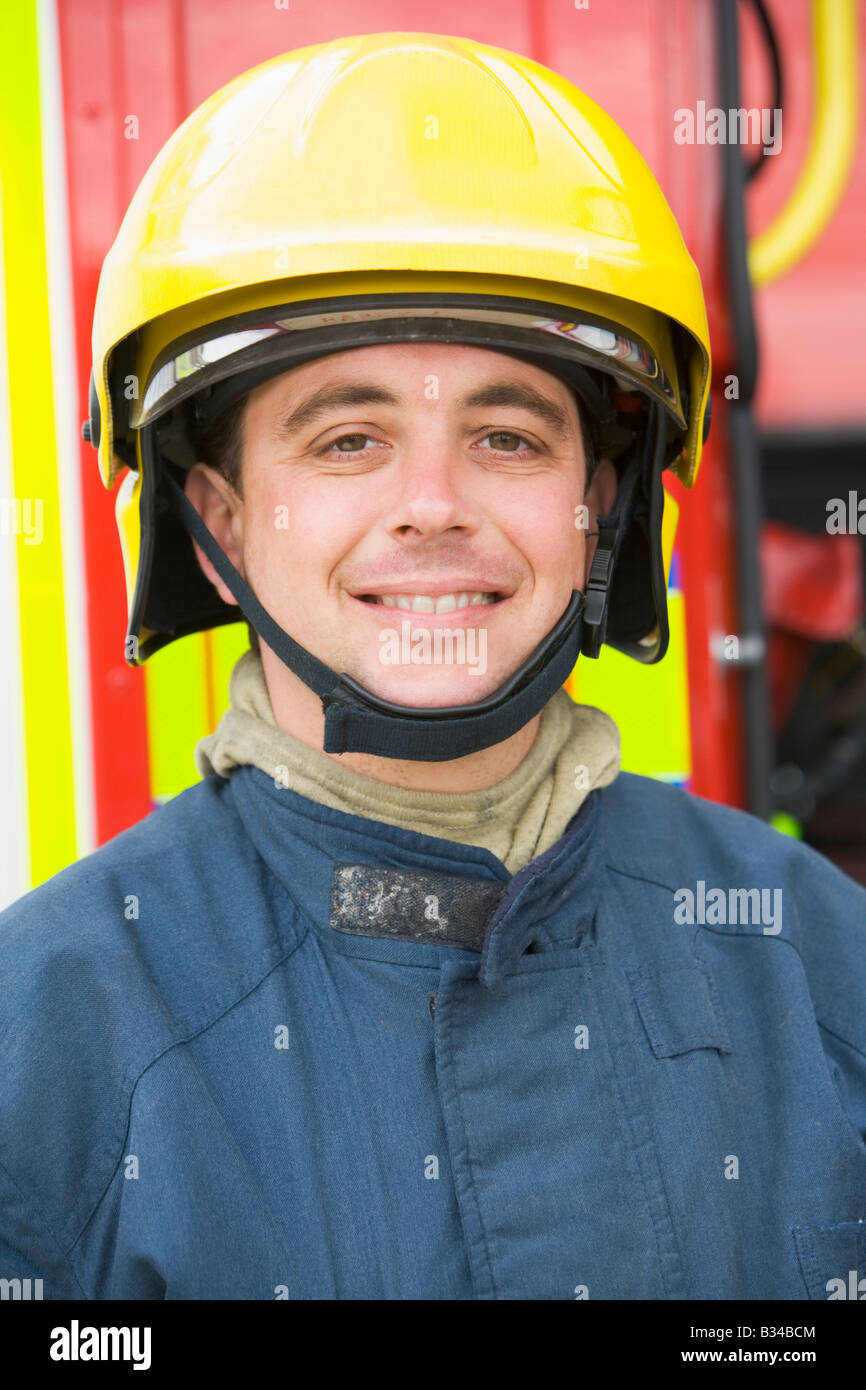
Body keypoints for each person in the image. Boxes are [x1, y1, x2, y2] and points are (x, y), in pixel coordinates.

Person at [1, 31, 865, 1302]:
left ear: (599, 507)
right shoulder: (45, 1036)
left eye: (506, 437)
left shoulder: (820, 964)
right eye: (348, 437)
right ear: (221, 520)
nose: (431, 504)